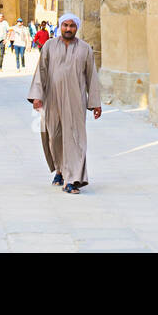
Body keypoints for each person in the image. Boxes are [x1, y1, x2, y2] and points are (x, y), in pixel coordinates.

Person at [27, 13, 101, 194]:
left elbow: (91, 77)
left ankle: (73, 179)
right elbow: (41, 72)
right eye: (65, 25)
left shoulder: (85, 49)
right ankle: (60, 169)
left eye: (72, 26)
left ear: (77, 27)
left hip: (76, 100)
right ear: (60, 27)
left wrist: (95, 103)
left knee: (75, 138)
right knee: (55, 136)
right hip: (52, 99)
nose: (69, 29)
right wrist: (37, 95)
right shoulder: (49, 46)